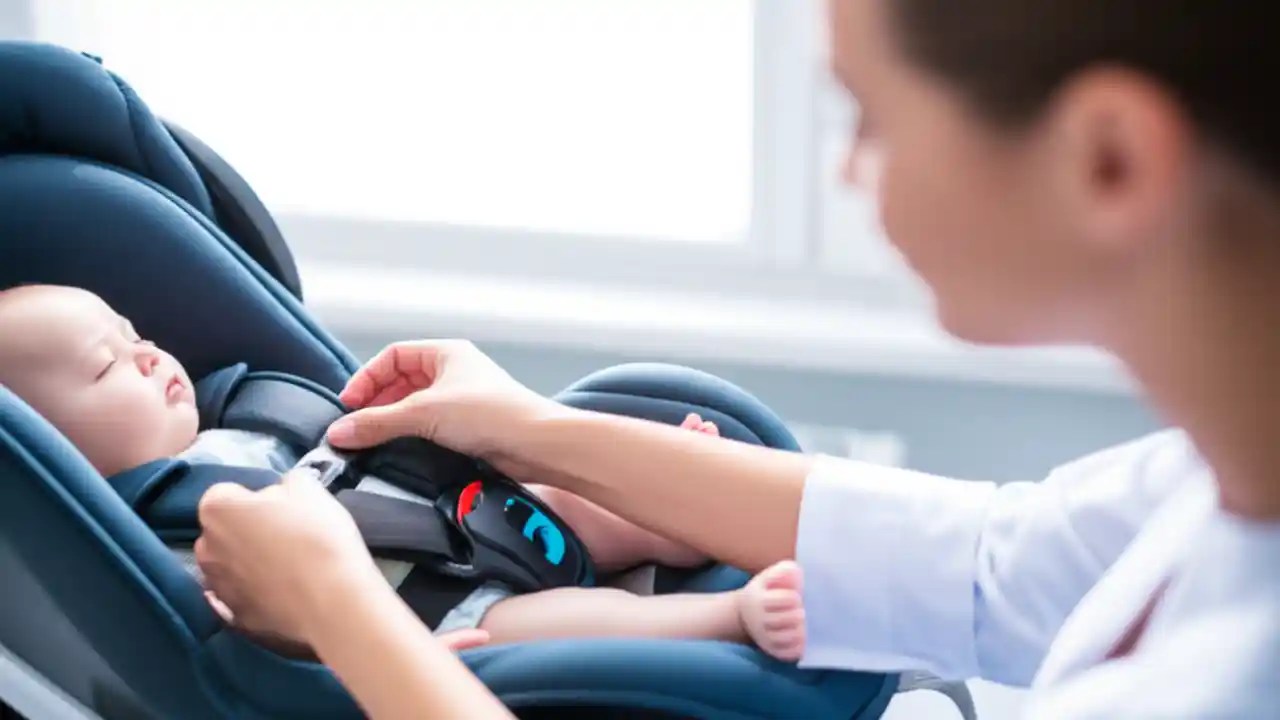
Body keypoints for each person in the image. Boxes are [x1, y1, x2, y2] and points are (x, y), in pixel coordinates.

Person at [195, 1, 1280, 718]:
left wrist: (343, 608)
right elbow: (981, 564)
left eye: (867, 117)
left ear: (1106, 158)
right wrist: (530, 432)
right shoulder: (1212, 483)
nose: (852, 172)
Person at [0, 284, 808, 662]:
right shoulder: (144, 539)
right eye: (109, 366)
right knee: (559, 619)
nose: (145, 354)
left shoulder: (244, 417)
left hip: (471, 505)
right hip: (436, 615)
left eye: (133, 330)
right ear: (57, 450)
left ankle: (678, 506)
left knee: (566, 502)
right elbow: (242, 626)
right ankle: (729, 617)